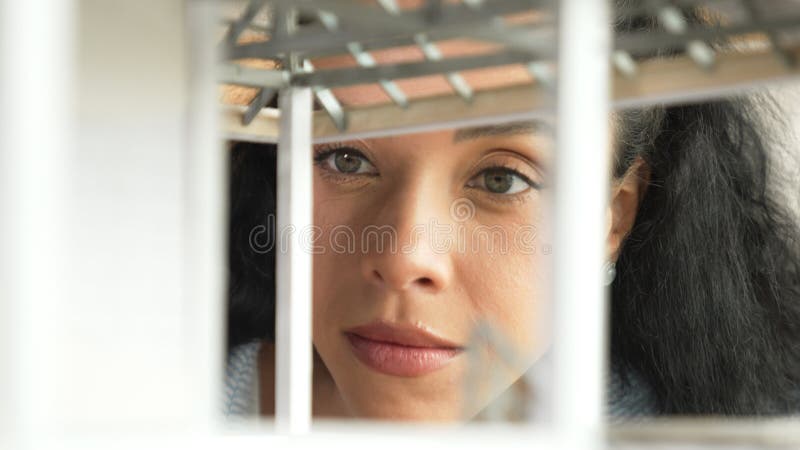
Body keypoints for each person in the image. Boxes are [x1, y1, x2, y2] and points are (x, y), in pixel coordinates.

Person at [223, 4, 800, 421]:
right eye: (345, 158)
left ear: (612, 218)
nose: (403, 258)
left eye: (502, 178)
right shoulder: (149, 395)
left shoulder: (729, 430)